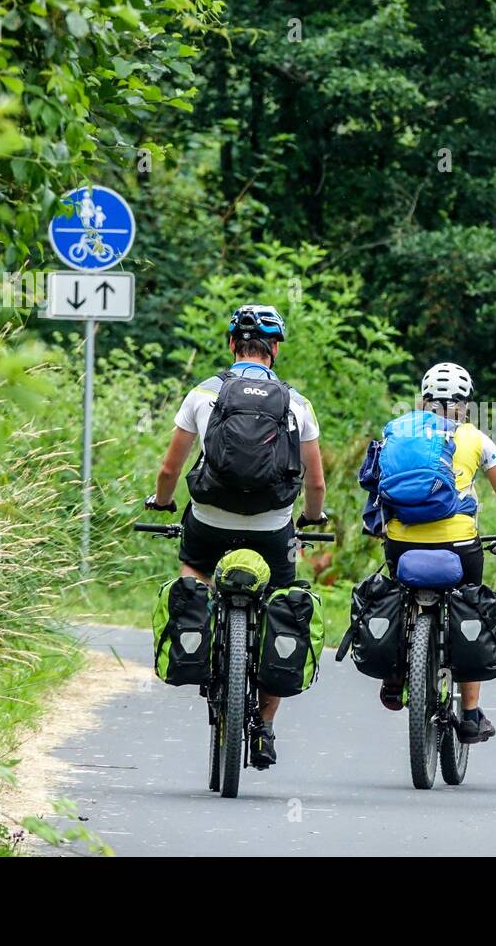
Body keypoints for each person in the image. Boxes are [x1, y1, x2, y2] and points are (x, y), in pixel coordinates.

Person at [145, 304, 327, 769]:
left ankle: (199, 635)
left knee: (194, 568)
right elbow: (315, 483)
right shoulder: (296, 402)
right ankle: (264, 724)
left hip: (208, 519)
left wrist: (163, 502)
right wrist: (311, 518)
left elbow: (170, 468)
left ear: (231, 345)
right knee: (283, 596)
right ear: (276, 349)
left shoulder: (203, 393)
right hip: (273, 526)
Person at [377, 362, 496, 744]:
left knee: (397, 595)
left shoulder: (399, 431)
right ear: (465, 404)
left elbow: (378, 488)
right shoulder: (477, 439)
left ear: (424, 399)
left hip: (402, 542)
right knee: (472, 610)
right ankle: (469, 715)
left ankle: (394, 673)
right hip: (460, 544)